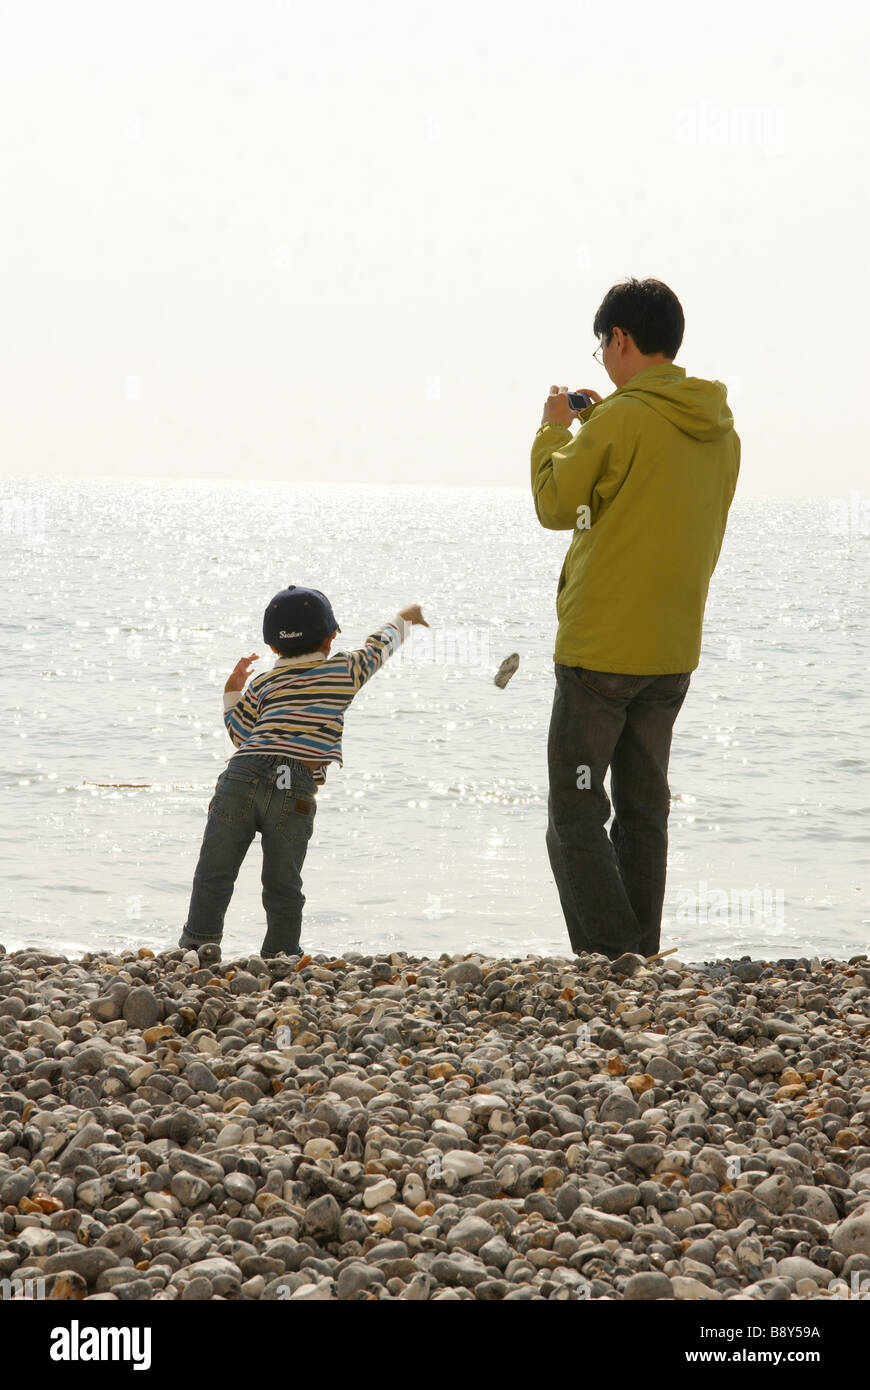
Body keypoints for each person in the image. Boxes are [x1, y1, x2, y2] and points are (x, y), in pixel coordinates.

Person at [530, 278, 740, 960]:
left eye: (603, 348)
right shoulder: (718, 428)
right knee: (643, 813)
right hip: (671, 651)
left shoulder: (619, 420)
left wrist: (555, 428)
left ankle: (614, 959)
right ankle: (641, 958)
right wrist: (600, 424)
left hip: (600, 652)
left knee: (576, 813)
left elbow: (557, 503)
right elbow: (650, 484)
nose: (604, 362)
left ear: (619, 339)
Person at [178, 585, 428, 960]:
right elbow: (380, 648)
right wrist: (405, 616)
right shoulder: (344, 669)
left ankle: (198, 945)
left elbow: (241, 735)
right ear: (330, 638)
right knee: (283, 881)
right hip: (293, 785)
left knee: (215, 870)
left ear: (274, 647)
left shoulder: (262, 682)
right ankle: (281, 953)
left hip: (241, 776)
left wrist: (231, 693)